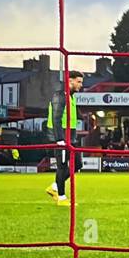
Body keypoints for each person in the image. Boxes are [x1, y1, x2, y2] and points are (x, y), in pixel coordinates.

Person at [44, 70, 84, 207]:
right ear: (70, 81)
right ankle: (61, 197)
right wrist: (59, 139)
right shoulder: (60, 96)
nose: (81, 85)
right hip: (61, 136)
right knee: (62, 166)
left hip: (71, 136)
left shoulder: (72, 97)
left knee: (78, 164)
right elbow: (56, 118)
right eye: (78, 82)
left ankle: (55, 186)